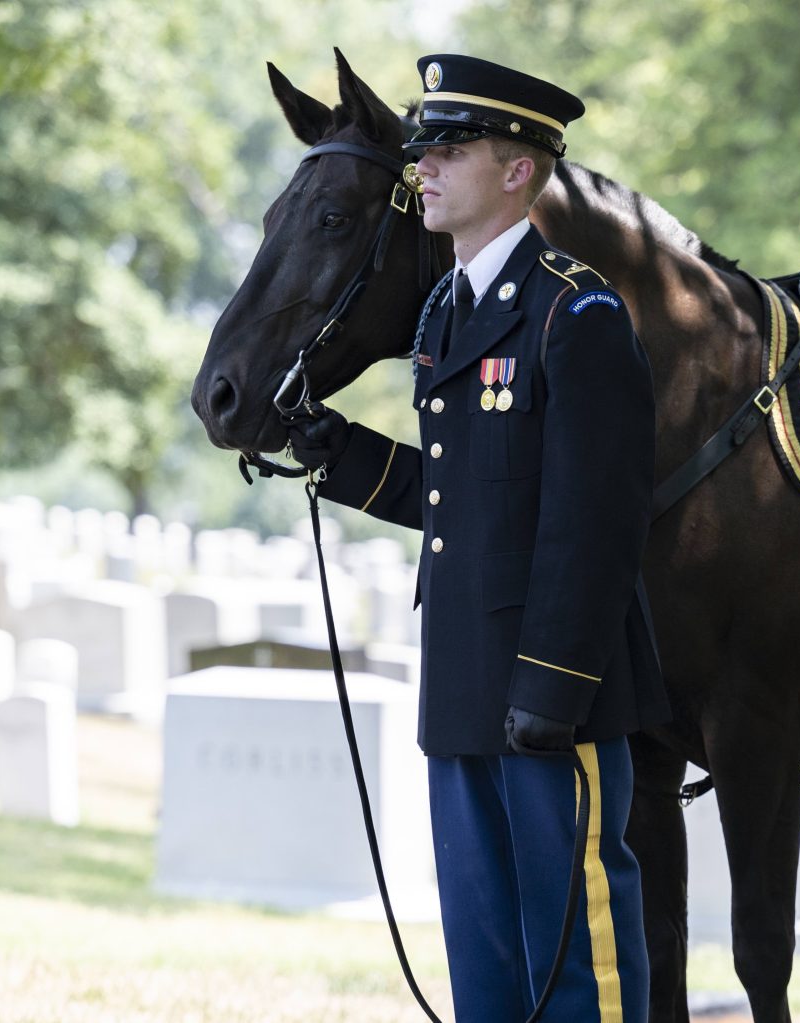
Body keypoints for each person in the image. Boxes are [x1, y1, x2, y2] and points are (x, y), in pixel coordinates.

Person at [284, 53, 666, 1023]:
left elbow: (596, 521)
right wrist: (342, 454)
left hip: (550, 686)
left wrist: (553, 685)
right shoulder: (448, 310)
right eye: (424, 151)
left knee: (574, 955)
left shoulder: (573, 311)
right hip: (461, 674)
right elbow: (467, 499)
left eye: (451, 151)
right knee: (485, 955)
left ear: (518, 172)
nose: (425, 169)